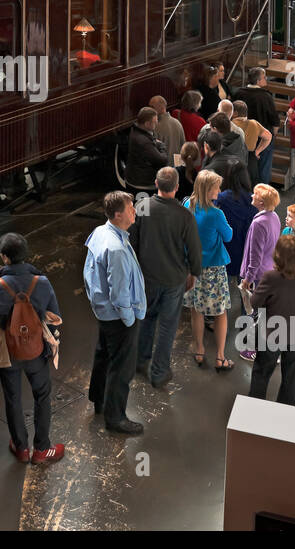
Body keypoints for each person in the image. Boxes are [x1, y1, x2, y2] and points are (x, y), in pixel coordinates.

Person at [0, 232, 64, 464]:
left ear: (5, 258)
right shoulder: (42, 282)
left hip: (8, 352)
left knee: (12, 398)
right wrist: (49, 348)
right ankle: (42, 449)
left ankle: (21, 448)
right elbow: (54, 318)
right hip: (36, 350)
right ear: (26, 255)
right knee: (42, 395)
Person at [131, 167, 202, 389]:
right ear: (178, 187)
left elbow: (132, 242)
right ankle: (160, 372)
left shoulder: (142, 207)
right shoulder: (185, 215)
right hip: (174, 279)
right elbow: (194, 249)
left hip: (148, 277)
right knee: (168, 325)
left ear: (156, 183)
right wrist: (195, 272)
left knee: (147, 318)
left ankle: (141, 361)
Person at [85, 191, 147, 434]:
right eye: (131, 208)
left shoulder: (102, 232)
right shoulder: (117, 249)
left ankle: (99, 399)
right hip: (119, 317)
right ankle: (116, 418)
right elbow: (119, 292)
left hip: (103, 312)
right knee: (122, 367)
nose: (135, 211)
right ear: (118, 214)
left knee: (103, 355)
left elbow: (89, 270)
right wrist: (130, 319)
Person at [246, 235, 295, 405]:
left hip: (272, 333)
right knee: (290, 376)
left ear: (278, 256)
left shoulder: (271, 277)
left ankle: (255, 408)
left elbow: (255, 302)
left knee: (262, 372)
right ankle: (285, 411)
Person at [183, 170, 234, 371]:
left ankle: (199, 350)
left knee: (196, 310)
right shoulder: (216, 214)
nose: (220, 191)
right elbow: (228, 236)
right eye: (217, 187)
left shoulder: (187, 205)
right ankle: (220, 357)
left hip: (192, 267)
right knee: (220, 312)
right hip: (213, 269)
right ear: (208, 189)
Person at [238, 183, 282, 363]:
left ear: (262, 202)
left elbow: (254, 256)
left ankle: (255, 349)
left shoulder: (258, 223)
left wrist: (248, 278)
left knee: (257, 313)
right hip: (270, 269)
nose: (251, 197)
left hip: (258, 275)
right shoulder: (275, 217)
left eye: (255, 196)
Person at [216, 159, 257, 292]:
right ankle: (248, 312)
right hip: (246, 251)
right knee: (247, 294)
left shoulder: (221, 199)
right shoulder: (254, 200)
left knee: (222, 293)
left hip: (226, 250)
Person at [235, 67, 280, 187]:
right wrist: (273, 134)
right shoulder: (266, 97)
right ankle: (263, 192)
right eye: (264, 78)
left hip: (242, 136)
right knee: (264, 167)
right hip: (262, 136)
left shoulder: (239, 93)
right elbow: (274, 119)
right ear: (258, 81)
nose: (266, 80)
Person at [125, 107, 168, 191]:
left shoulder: (134, 130)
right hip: (142, 184)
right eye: (155, 123)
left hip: (134, 178)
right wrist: (162, 146)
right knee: (144, 204)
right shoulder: (144, 142)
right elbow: (161, 160)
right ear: (147, 124)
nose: (156, 125)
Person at [233, 99, 272, 185]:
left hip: (234, 158)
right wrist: (257, 151)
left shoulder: (230, 123)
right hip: (250, 159)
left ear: (235, 113)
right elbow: (268, 136)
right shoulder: (254, 123)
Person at [150, 95, 185, 167]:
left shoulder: (155, 127)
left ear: (160, 107)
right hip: (177, 167)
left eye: (151, 107)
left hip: (163, 169)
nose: (149, 110)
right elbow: (183, 147)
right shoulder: (177, 123)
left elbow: (153, 154)